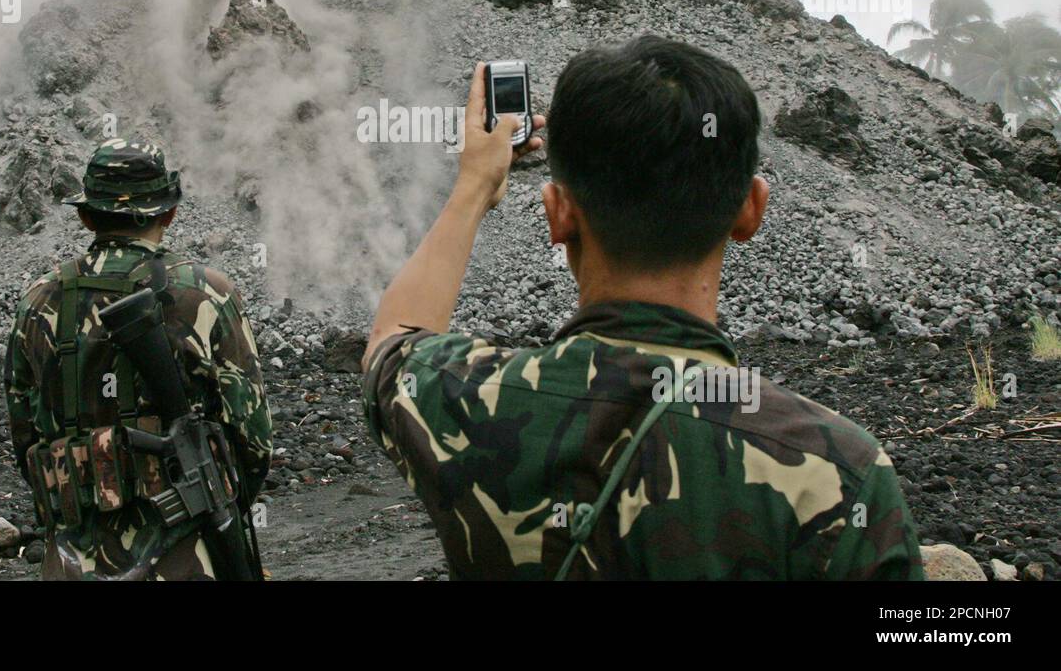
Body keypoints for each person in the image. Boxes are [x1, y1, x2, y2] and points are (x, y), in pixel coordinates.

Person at [362, 38, 924, 580]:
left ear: (558, 216)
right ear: (751, 209)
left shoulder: (459, 400)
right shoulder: (840, 472)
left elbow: (396, 333)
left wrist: (475, 184)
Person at [4, 138, 271, 580]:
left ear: (86, 215)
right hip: (188, 549)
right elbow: (253, 438)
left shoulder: (36, 301)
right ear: (169, 213)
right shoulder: (207, 292)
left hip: (73, 554)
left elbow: (24, 436)